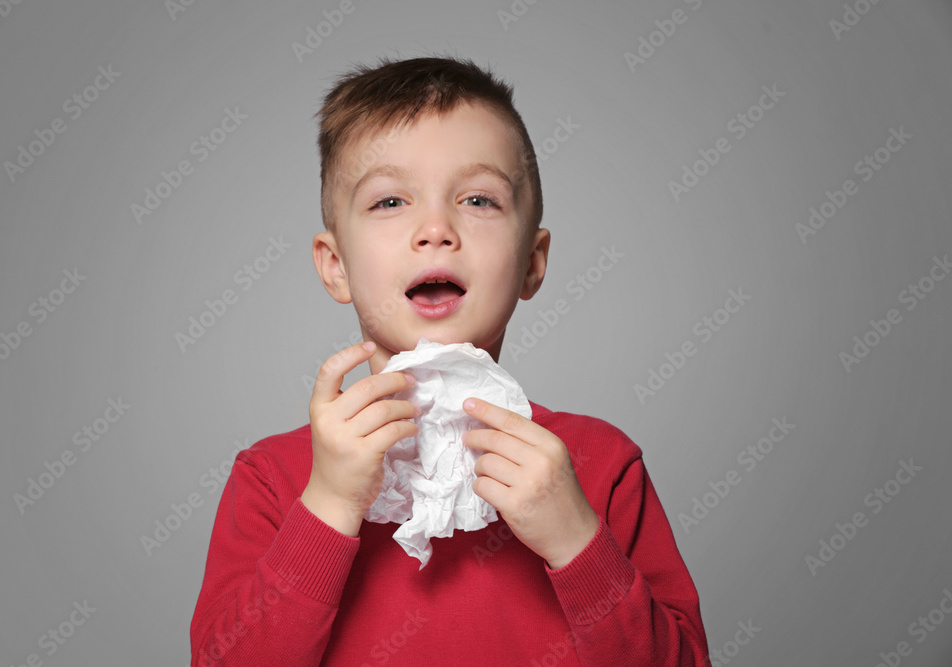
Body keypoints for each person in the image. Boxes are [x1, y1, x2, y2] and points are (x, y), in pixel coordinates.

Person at [190, 53, 712, 666]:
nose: (435, 229)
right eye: (390, 202)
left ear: (533, 262)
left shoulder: (601, 467)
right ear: (336, 265)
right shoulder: (274, 479)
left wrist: (577, 541)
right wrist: (329, 507)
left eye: (478, 200)